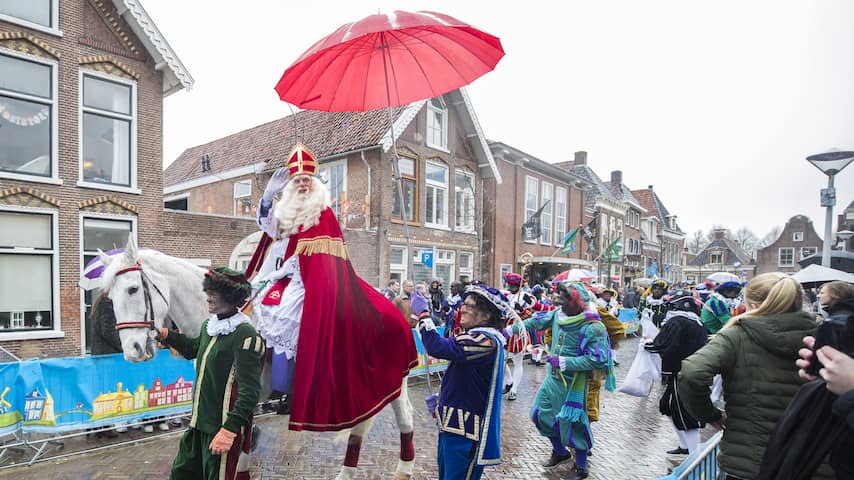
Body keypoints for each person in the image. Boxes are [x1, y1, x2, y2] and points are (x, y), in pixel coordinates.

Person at [245, 143, 417, 433]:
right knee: (255, 302)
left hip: (310, 279)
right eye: (296, 179)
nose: (301, 183)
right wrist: (266, 198)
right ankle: (266, 379)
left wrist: (314, 285)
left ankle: (293, 382)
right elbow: (270, 227)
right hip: (284, 273)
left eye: (305, 179)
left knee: (290, 315)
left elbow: (327, 261)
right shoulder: (287, 209)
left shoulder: (323, 212)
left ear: (314, 183)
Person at [678, 272, 826, 480]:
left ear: (753, 304)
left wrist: (711, 415)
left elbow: (692, 373)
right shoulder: (825, 335)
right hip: (812, 463)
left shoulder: (737, 335)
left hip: (748, 464)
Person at [158, 267, 264, 480]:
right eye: (208, 291)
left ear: (231, 296)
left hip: (221, 430)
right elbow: (194, 348)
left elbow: (250, 392)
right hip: (198, 426)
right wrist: (166, 335)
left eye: (215, 292)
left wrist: (229, 430)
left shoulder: (245, 334)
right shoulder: (209, 326)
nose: (208, 297)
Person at [506, 282, 615, 480]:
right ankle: (560, 451)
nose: (560, 302)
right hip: (552, 379)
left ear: (577, 301)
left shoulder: (593, 326)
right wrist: (511, 330)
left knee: (574, 424)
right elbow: (536, 322)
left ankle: (581, 466)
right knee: (539, 414)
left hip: (575, 383)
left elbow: (598, 359)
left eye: (565, 299)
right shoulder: (558, 315)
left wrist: (564, 361)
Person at [416, 284, 508, 480]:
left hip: (466, 433)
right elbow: (466, 379)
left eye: (469, 306)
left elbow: (438, 347)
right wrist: (442, 399)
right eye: (463, 304)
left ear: (486, 315)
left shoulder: (486, 340)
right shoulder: (477, 337)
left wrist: (424, 315)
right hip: (452, 427)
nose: (462, 309)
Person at [644, 290, 708, 456]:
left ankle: (694, 454)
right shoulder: (699, 323)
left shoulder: (678, 321)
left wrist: (649, 345)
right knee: (668, 406)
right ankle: (685, 445)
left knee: (684, 411)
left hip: (680, 372)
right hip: (693, 371)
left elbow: (664, 344)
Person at [88, 293, 121, 438]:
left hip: (99, 354)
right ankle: (106, 426)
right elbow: (108, 331)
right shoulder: (107, 304)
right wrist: (122, 347)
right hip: (107, 355)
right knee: (107, 391)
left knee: (100, 390)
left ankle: (96, 426)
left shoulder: (99, 304)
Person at [501, 272, 534, 401]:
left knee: (517, 362)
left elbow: (530, 315)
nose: (509, 286)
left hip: (518, 330)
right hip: (506, 329)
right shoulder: (506, 296)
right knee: (501, 358)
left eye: (511, 285)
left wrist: (522, 310)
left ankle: (514, 389)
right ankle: (509, 381)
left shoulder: (526, 297)